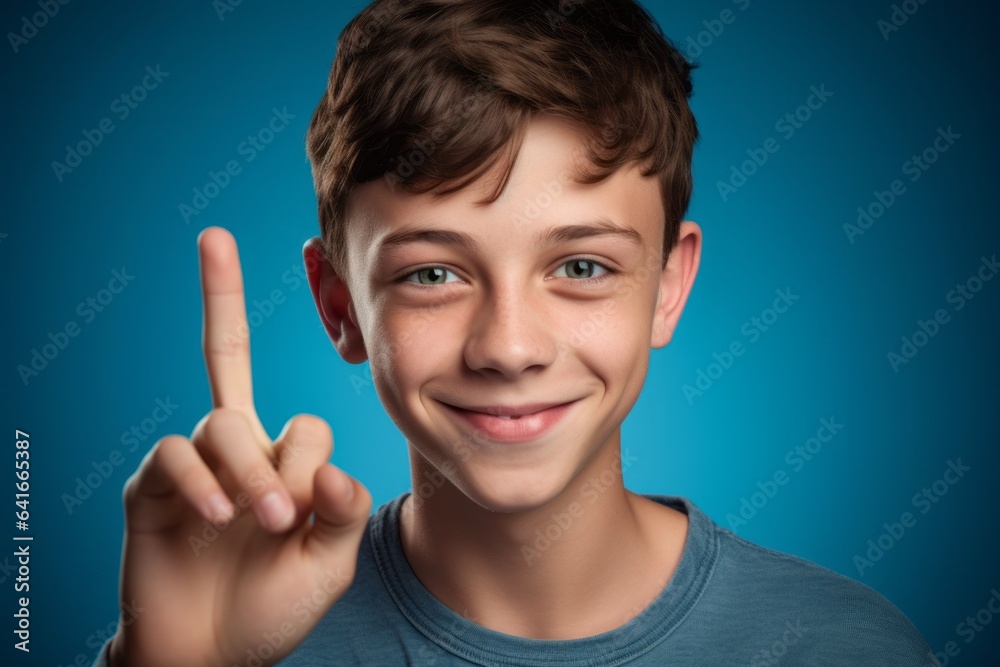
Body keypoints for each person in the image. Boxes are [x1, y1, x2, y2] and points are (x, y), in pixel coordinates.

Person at [94, 1, 936, 665]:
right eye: (433, 274)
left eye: (581, 267)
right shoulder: (243, 644)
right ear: (340, 305)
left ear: (669, 286)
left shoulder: (844, 646)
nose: (509, 346)